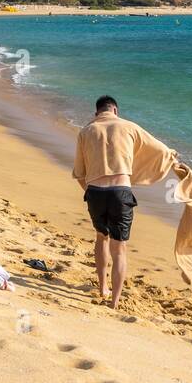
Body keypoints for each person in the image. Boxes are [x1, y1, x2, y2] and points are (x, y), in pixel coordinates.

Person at [72, 95, 177, 308]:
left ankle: (102, 287)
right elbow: (160, 150)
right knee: (119, 249)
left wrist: (91, 192)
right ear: (115, 111)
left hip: (95, 193)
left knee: (101, 237)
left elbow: (79, 173)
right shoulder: (130, 127)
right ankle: (114, 301)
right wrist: (173, 157)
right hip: (120, 193)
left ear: (97, 113)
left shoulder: (86, 131)